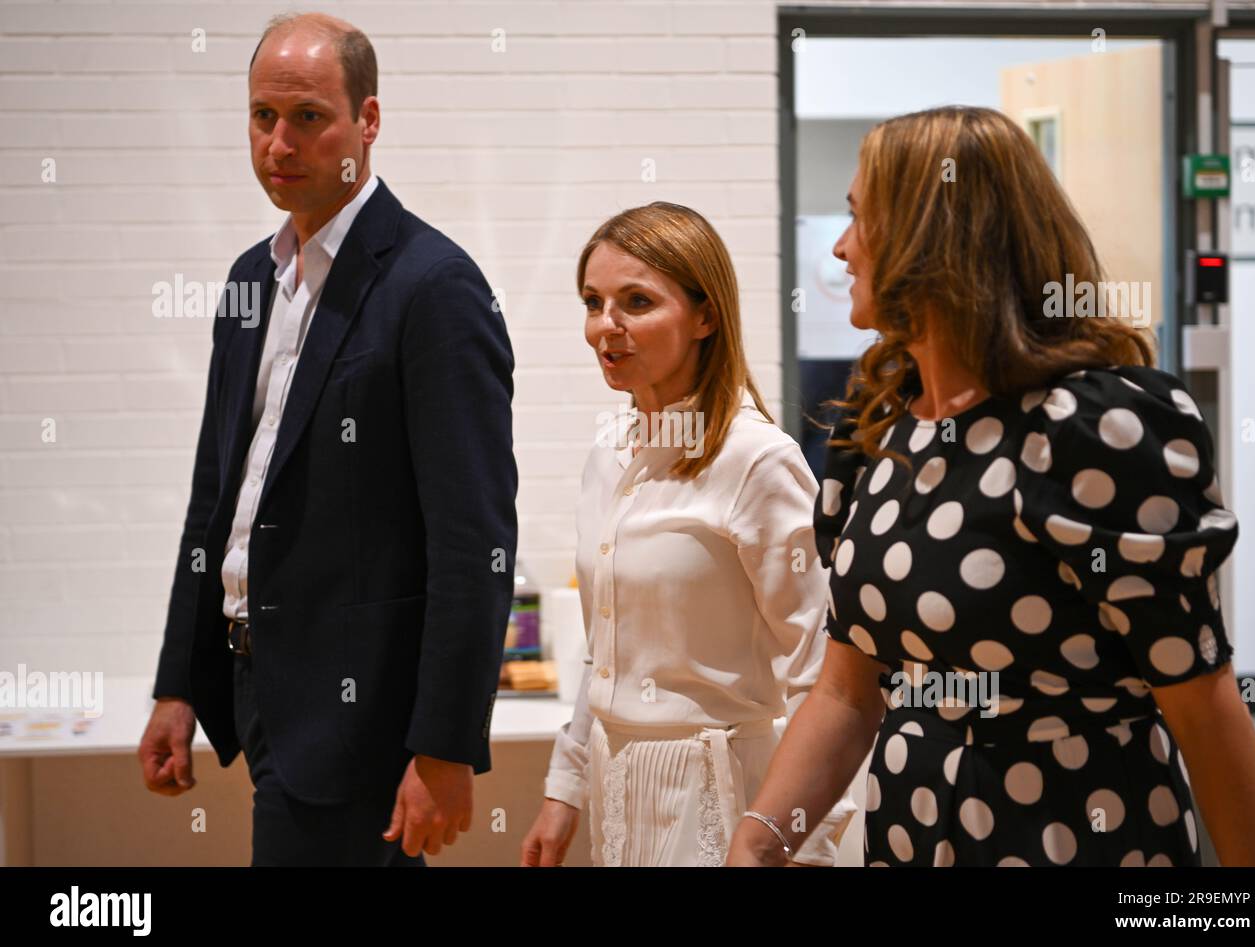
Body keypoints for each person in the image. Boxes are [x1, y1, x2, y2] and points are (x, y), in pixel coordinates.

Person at [728, 106, 1255, 867]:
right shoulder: (880, 422)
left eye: (861, 217)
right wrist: (759, 843)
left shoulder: (1093, 427)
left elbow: (1205, 706)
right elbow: (848, 693)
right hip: (914, 833)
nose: (841, 245)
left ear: (934, 237)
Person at [137, 13, 517, 866]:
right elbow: (217, 500)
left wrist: (447, 744)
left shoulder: (434, 287)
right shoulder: (250, 280)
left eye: (308, 116)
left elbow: (474, 538)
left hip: (365, 720)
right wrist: (179, 683)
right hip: (257, 691)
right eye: (262, 116)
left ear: (367, 122)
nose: (280, 141)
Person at [520, 202, 854, 866]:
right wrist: (565, 789)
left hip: (724, 800)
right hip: (619, 794)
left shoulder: (758, 460)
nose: (604, 327)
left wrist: (804, 845)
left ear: (705, 316)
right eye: (593, 302)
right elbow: (604, 653)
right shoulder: (609, 452)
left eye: (636, 302)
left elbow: (821, 674)